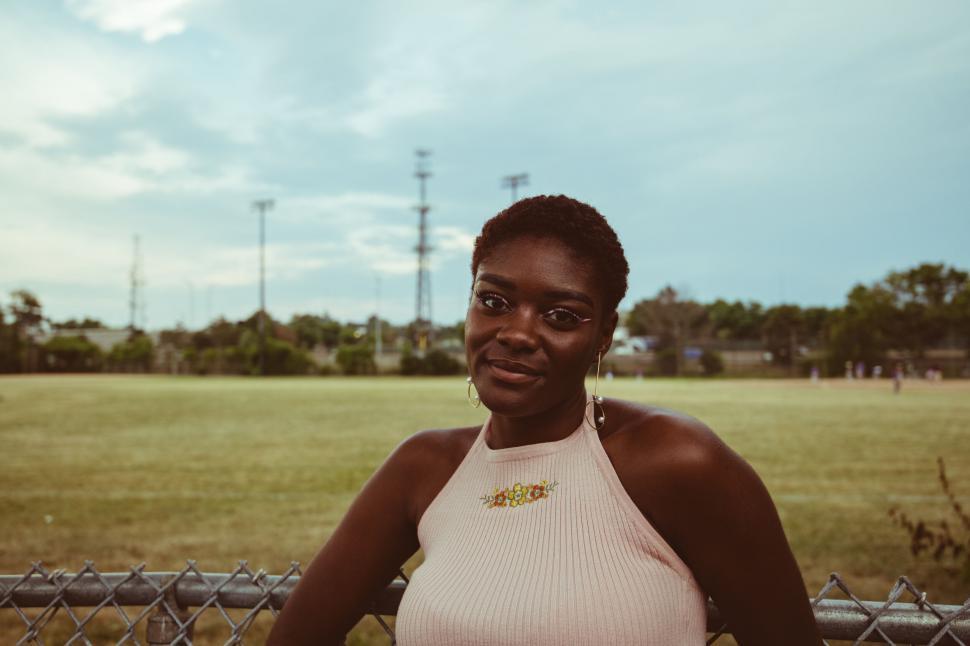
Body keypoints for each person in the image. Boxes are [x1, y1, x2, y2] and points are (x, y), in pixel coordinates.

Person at [268, 196, 821, 645]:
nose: (517, 333)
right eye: (494, 301)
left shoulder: (675, 459)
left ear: (603, 334)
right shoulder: (423, 468)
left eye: (561, 316)